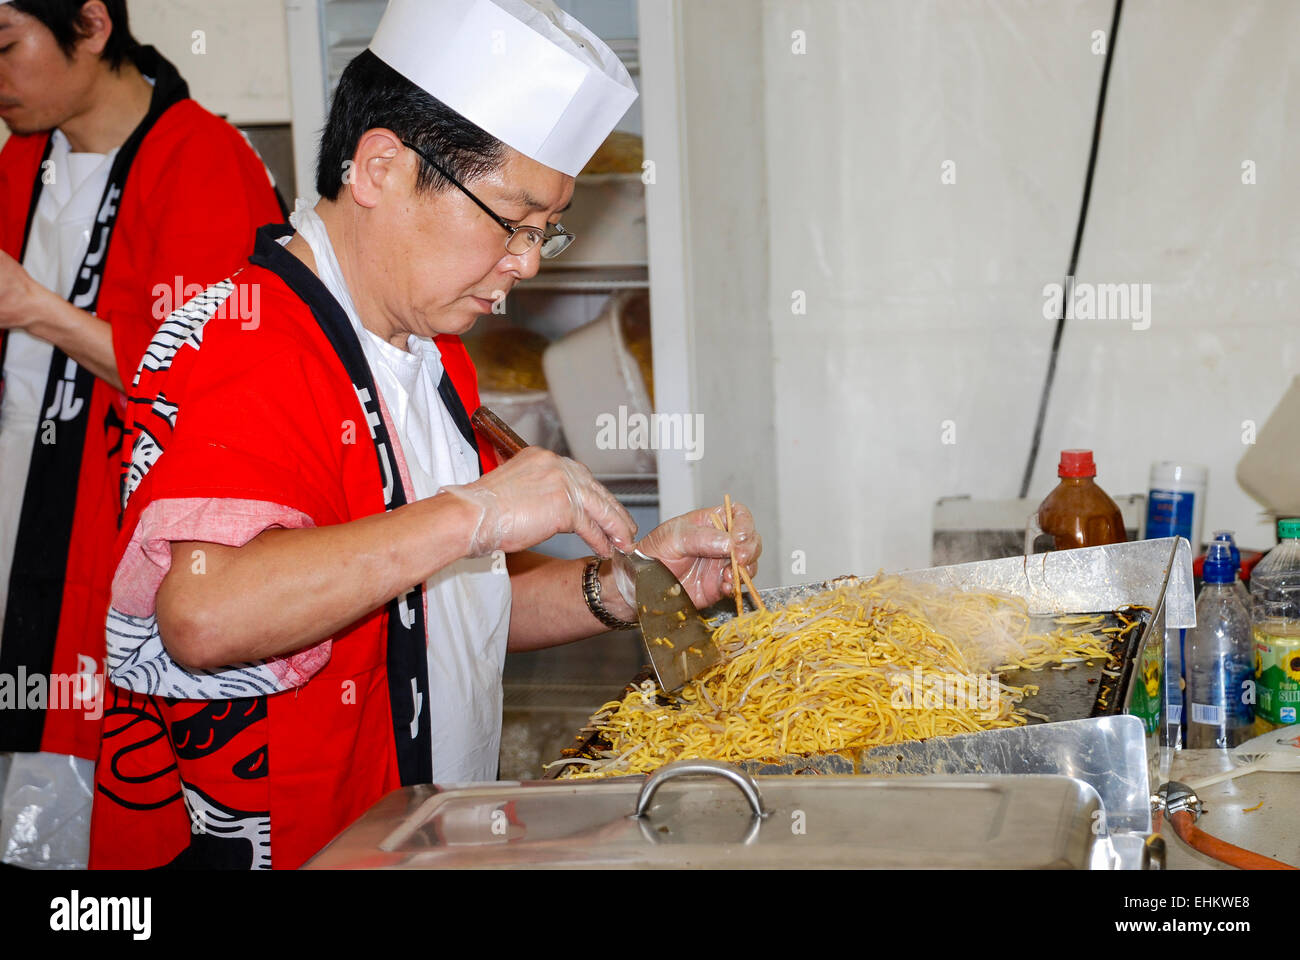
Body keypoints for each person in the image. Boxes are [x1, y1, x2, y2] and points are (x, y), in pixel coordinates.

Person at [90, 0, 762, 870]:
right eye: (511, 221)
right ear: (380, 168)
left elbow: (443, 607)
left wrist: (627, 587)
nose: (525, 262)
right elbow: (203, 612)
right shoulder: (251, 341)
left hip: (414, 837)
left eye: (544, 231)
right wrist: (474, 511)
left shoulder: (430, 355)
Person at [0, 0, 284, 867]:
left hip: (116, 550)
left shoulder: (204, 159)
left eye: (6, 47)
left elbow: (199, 375)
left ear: (91, 25)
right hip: (18, 520)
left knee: (92, 834)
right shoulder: (21, 158)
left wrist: (38, 309)